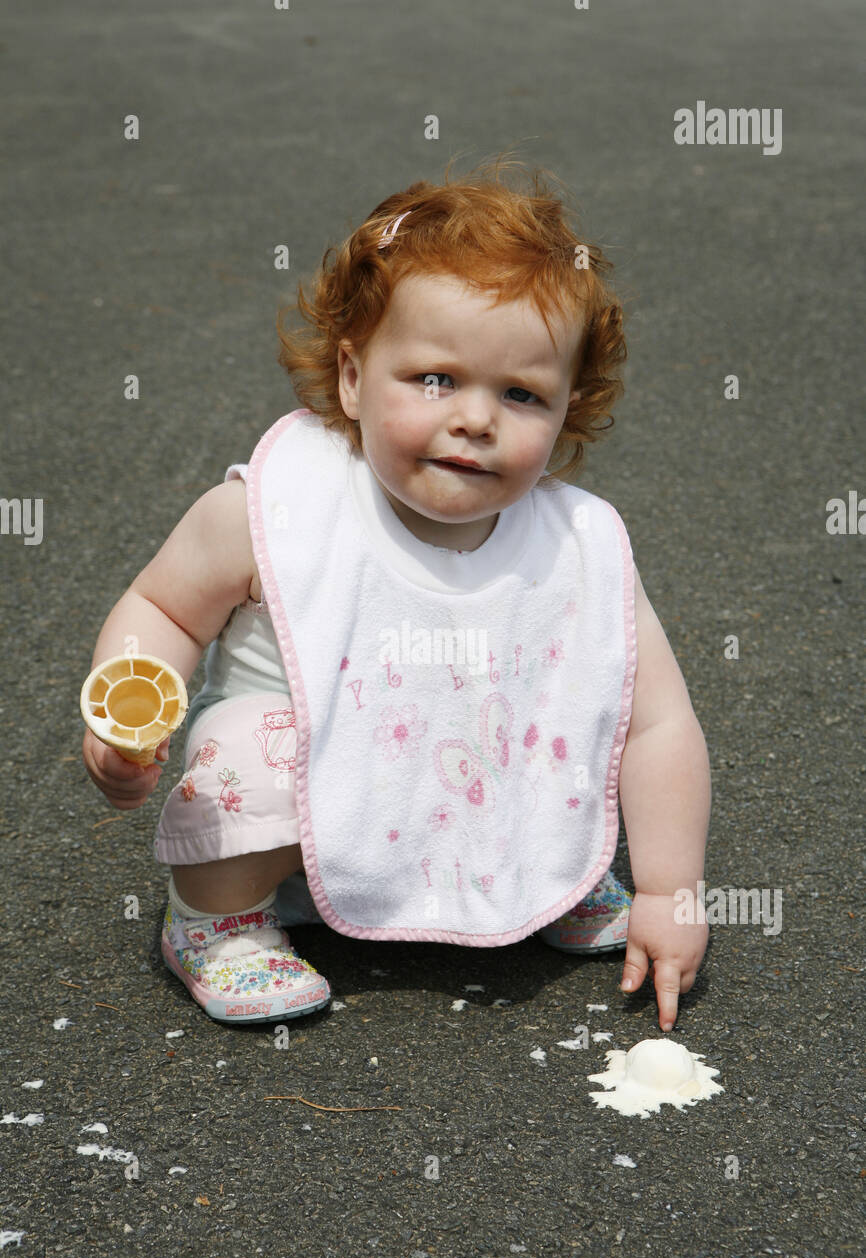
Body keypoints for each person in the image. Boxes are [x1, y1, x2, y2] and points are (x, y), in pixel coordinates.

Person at [82, 155, 711, 1029]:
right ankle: (217, 921)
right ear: (351, 377)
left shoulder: (578, 549)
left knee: (569, 712)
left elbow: (657, 723)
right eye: (434, 378)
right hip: (298, 813)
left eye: (523, 393)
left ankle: (541, 872)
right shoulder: (278, 511)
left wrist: (671, 889)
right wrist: (128, 715)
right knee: (246, 744)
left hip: (468, 790)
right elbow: (163, 610)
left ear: (570, 409)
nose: (475, 418)